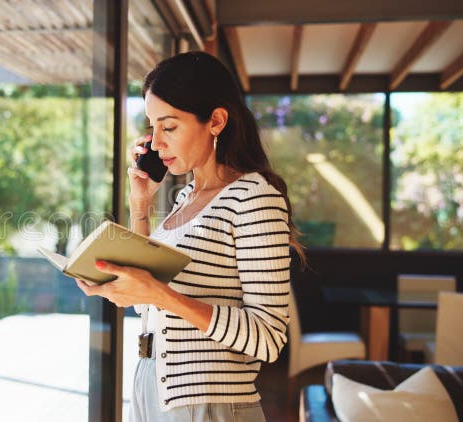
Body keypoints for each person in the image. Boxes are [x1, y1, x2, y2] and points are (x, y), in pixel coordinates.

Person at [74, 51, 305, 421]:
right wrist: (140, 207)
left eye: (169, 127)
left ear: (216, 121)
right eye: (152, 127)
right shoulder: (184, 199)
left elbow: (268, 338)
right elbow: (148, 306)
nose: (155, 143)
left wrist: (161, 295)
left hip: (209, 403)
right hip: (151, 389)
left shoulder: (253, 197)